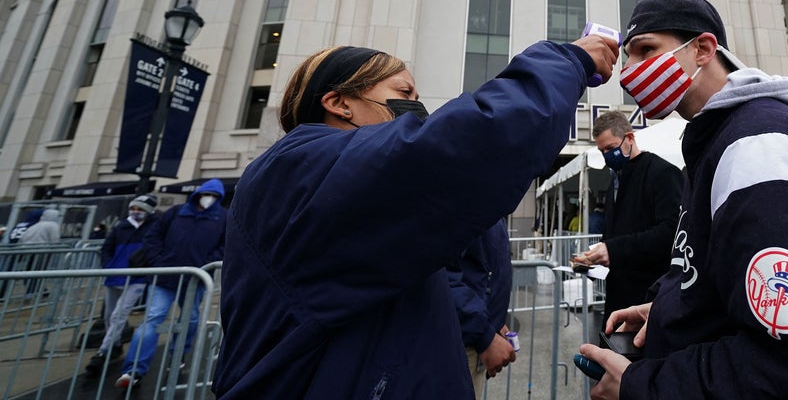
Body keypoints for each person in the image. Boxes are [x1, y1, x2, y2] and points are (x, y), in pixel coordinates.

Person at [213, 35, 617, 399]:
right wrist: (568, 61)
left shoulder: (333, 181)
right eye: (403, 92)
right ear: (339, 103)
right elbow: (473, 142)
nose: (414, 109)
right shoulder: (299, 169)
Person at [579, 0, 788, 398]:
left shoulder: (762, 147)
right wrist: (672, 310)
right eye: (628, 56)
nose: (629, 71)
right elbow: (724, 276)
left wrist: (642, 386)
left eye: (646, 50)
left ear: (703, 49)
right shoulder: (714, 144)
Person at [574, 110, 683, 325]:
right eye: (602, 151)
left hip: (648, 297)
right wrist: (593, 260)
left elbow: (671, 232)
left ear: (630, 138)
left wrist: (613, 250)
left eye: (610, 148)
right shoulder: (615, 180)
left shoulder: (662, 173)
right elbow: (615, 233)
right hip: (618, 295)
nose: (606, 155)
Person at [117, 181, 226, 389]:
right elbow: (153, 237)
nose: (208, 198)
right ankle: (134, 369)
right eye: (206, 194)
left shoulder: (222, 217)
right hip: (165, 276)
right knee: (153, 318)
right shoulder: (176, 212)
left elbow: (225, 245)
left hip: (195, 278)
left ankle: (178, 355)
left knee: (190, 319)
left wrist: (206, 264)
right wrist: (158, 261)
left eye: (213, 195)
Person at [87, 194, 159, 377]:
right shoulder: (121, 226)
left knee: (119, 314)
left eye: (140, 209)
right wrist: (108, 266)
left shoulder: (154, 227)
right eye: (133, 208)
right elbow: (107, 248)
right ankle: (115, 343)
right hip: (114, 276)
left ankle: (103, 351)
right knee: (109, 315)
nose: (136, 212)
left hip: (136, 278)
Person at [448, 219, 515, 396]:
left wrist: (495, 319)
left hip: (471, 333)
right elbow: (442, 275)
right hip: (460, 340)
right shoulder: (461, 203)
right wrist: (484, 334)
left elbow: (479, 266)